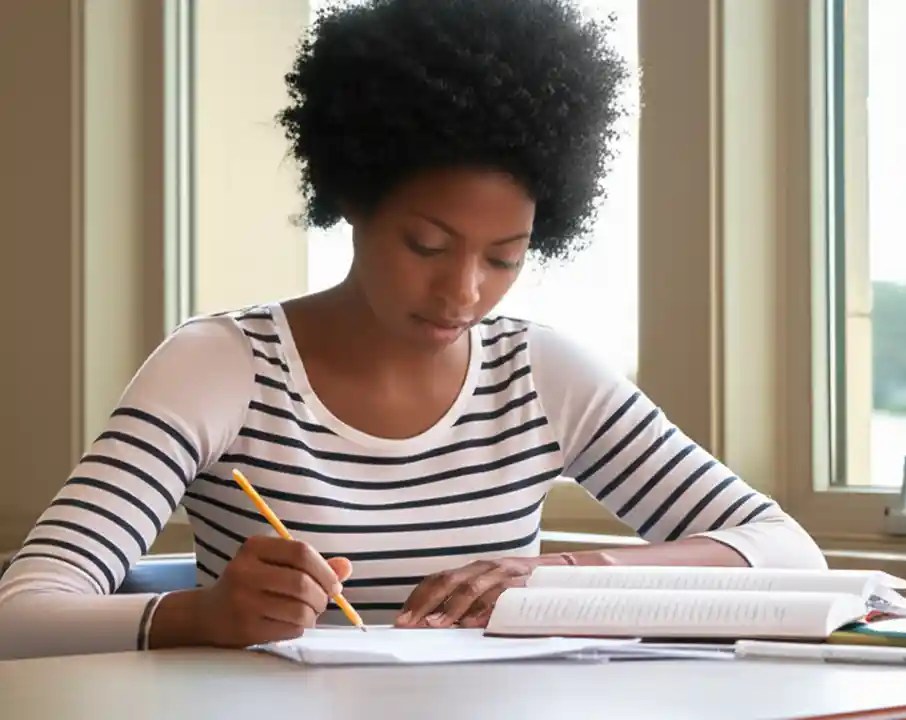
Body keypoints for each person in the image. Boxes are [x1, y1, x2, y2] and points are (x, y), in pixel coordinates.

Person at [0, 0, 824, 660]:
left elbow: (787, 553)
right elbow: (25, 613)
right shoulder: (223, 367)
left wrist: (560, 572)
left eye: (505, 257)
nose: (463, 292)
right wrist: (204, 616)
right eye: (426, 245)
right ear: (354, 200)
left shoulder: (539, 371)